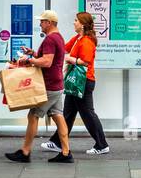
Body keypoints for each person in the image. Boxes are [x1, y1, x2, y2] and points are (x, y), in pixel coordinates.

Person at [6, 9, 72, 164]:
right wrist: (34, 53)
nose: (40, 24)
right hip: (57, 84)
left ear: (49, 23)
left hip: (49, 85)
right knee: (58, 115)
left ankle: (25, 152)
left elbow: (47, 62)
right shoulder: (58, 37)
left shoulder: (50, 39)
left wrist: (27, 61)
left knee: (33, 115)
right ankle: (66, 152)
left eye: (42, 21)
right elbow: (50, 58)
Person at [43, 12, 109, 156]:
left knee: (88, 115)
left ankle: (102, 144)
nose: (73, 23)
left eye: (76, 20)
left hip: (83, 81)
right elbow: (63, 48)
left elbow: (85, 62)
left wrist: (69, 59)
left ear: (83, 24)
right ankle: (57, 142)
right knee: (68, 113)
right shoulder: (78, 38)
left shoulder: (86, 41)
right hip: (76, 82)